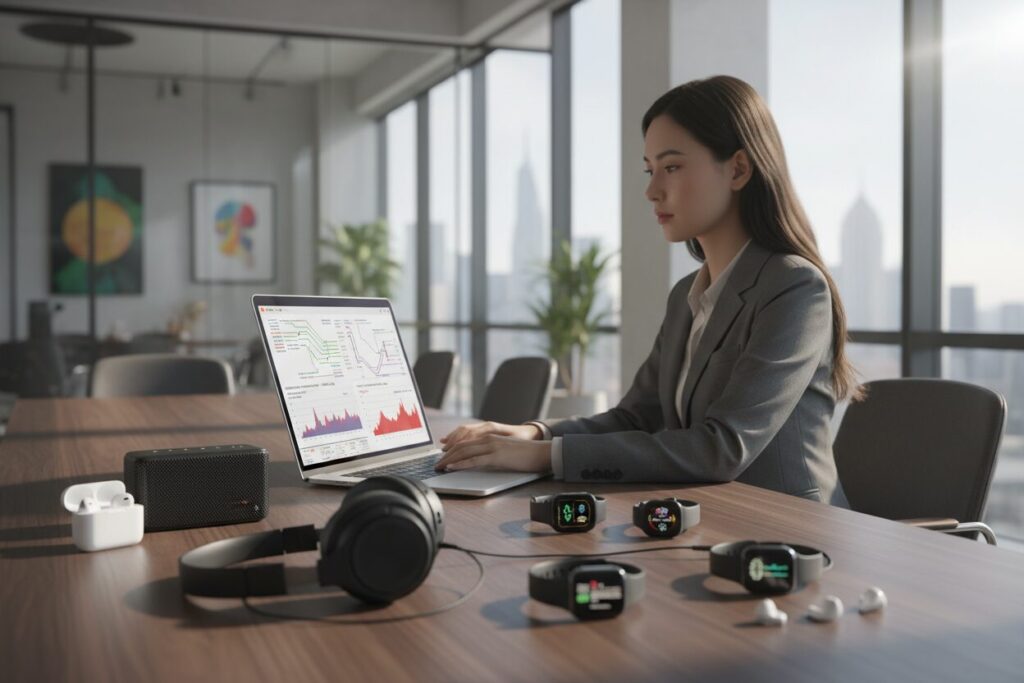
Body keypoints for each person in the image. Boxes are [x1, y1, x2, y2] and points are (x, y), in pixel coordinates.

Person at [435, 75, 861, 506]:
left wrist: (541, 457)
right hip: (710, 514)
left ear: (738, 169)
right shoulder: (686, 296)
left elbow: (723, 447)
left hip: (790, 531)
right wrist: (532, 433)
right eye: (649, 169)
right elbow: (636, 417)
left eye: (672, 167)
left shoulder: (794, 286)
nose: (652, 190)